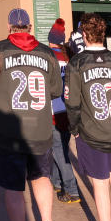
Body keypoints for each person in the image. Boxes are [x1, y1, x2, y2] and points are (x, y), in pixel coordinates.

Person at [0, 8, 61, 221]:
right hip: (40, 127)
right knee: (41, 177)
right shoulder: (47, 53)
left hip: (10, 130)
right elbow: (55, 89)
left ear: (8, 26)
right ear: (30, 27)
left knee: (14, 186)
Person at [66, 13, 111, 221]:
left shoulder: (77, 63)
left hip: (93, 132)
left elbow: (72, 101)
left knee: (100, 183)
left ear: (85, 34)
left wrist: (74, 128)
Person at [46, 21, 81, 205]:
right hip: (68, 110)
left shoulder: (48, 56)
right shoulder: (69, 56)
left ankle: (72, 189)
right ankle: (57, 182)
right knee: (61, 148)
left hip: (54, 109)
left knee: (59, 151)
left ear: (51, 39)